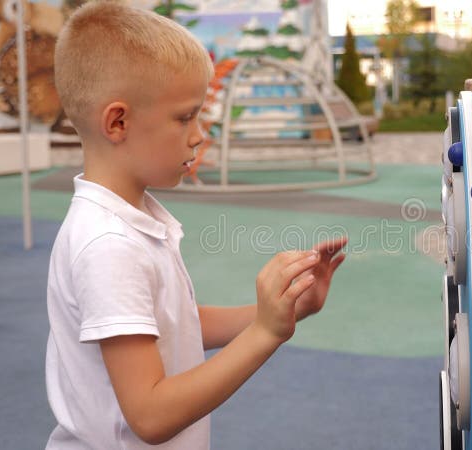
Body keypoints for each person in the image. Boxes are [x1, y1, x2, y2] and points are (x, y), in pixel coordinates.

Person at [45, 2, 347, 448]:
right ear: (118, 121)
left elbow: (177, 325)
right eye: (185, 117)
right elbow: (149, 414)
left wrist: (284, 310)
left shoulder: (133, 217)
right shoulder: (109, 244)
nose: (199, 134)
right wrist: (264, 334)